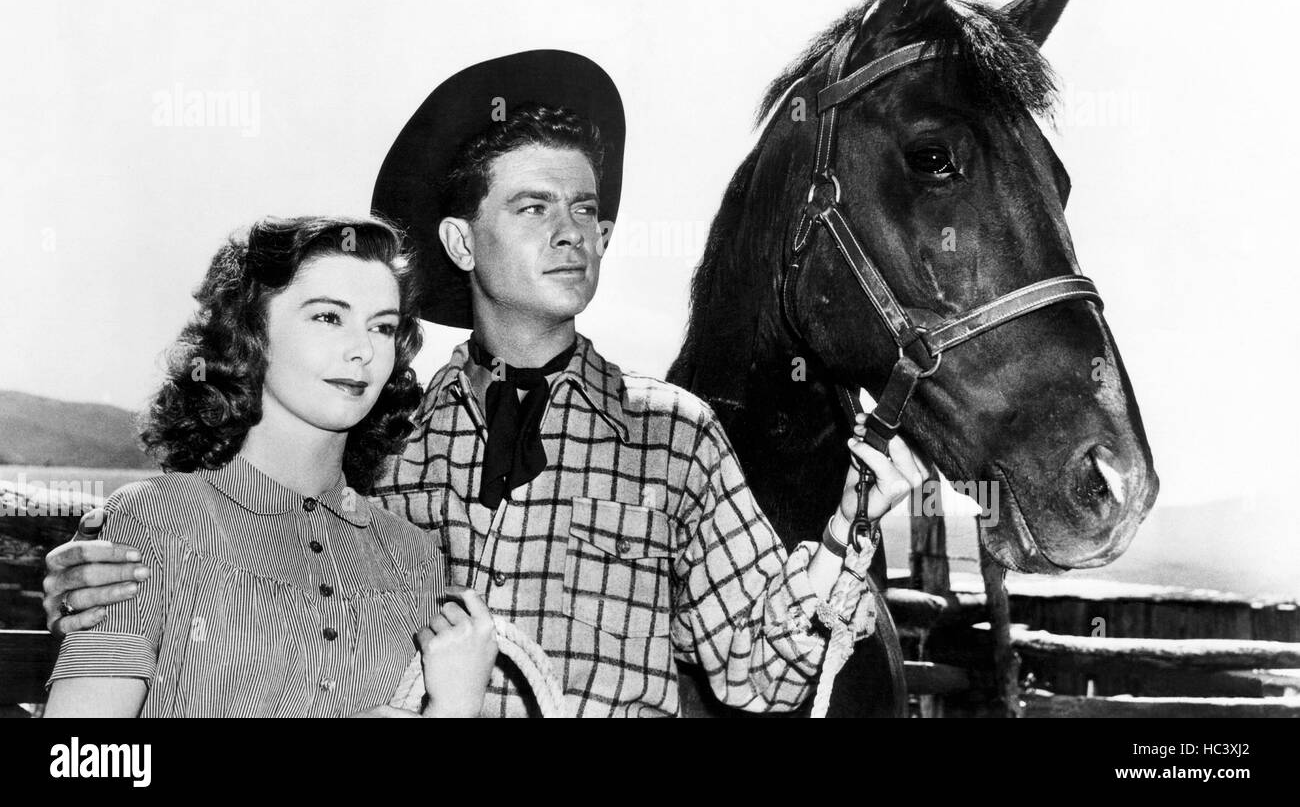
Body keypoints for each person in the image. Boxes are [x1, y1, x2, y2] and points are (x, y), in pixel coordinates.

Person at [46, 51, 924, 717]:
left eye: (587, 210)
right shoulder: (389, 445)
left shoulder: (680, 437)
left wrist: (848, 537)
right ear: (463, 245)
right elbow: (253, 538)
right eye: (534, 207)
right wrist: (117, 569)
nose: (574, 231)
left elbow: (761, 677)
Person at [43, 215, 497, 717]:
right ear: (250, 333)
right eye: (328, 317)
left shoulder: (412, 557)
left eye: (383, 327)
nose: (363, 349)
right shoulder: (155, 521)